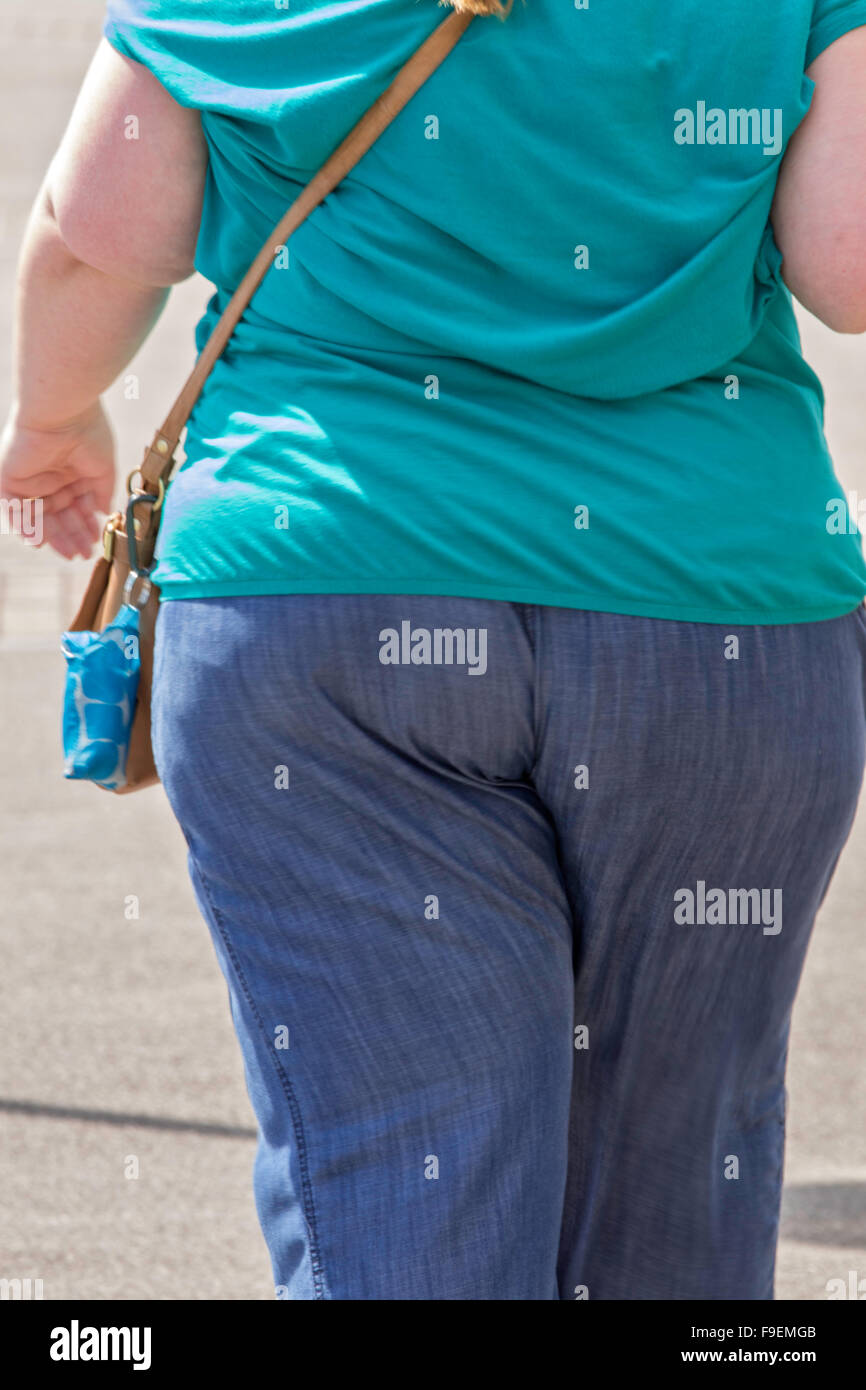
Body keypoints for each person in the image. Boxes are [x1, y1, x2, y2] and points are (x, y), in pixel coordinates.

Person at [2, 0, 866, 1301]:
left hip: (329, 605)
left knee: (406, 1178)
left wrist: (54, 420)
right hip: (713, 617)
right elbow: (845, 260)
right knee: (676, 1182)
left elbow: (95, 233)